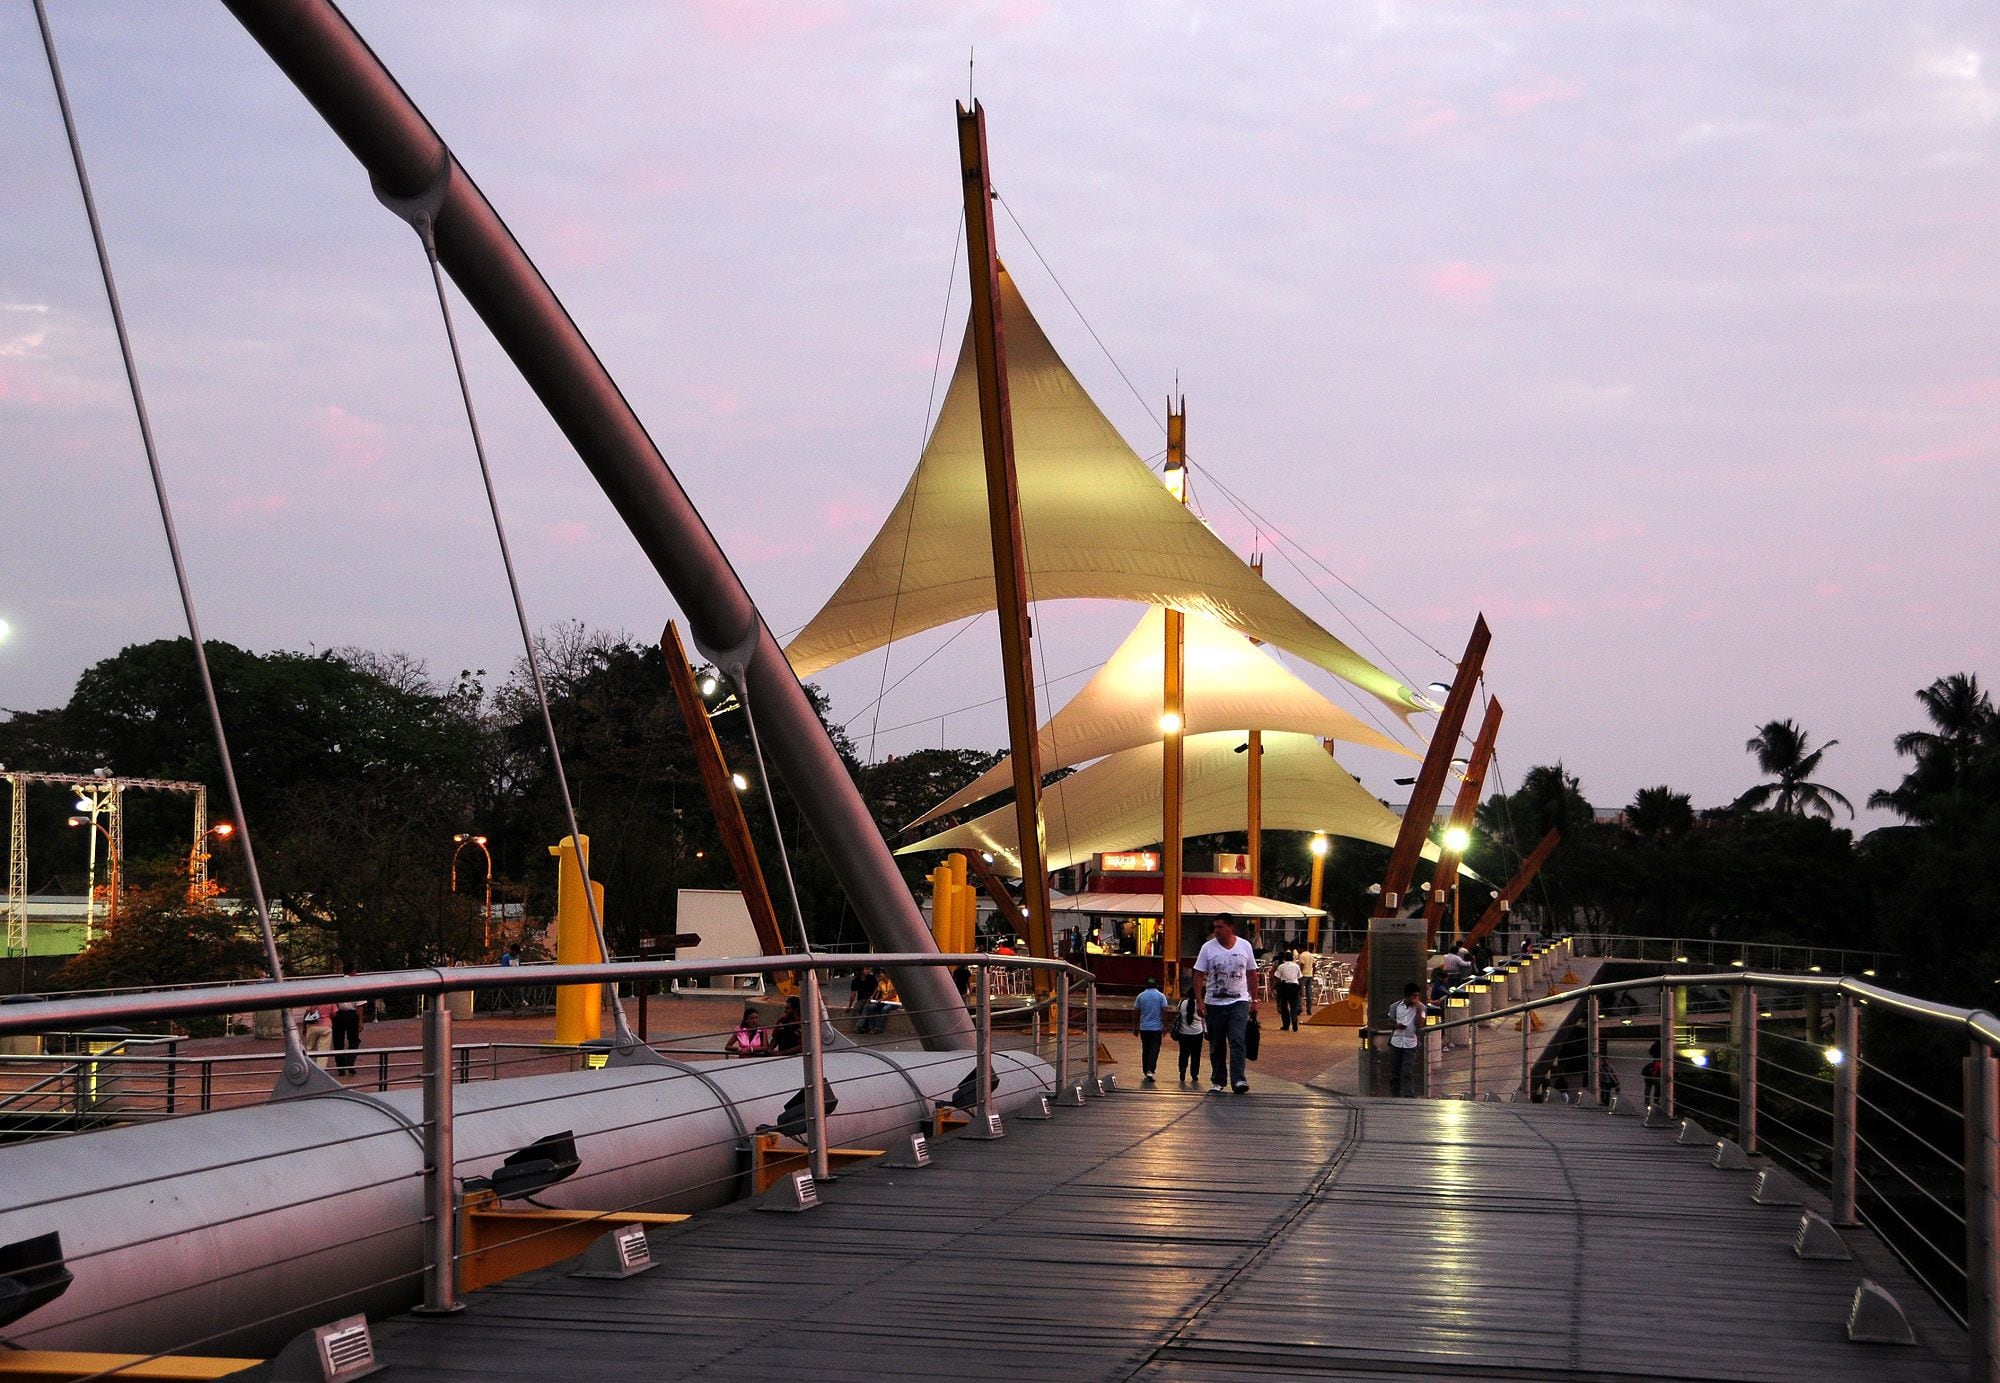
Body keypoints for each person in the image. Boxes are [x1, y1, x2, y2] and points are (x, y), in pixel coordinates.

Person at [1194, 918, 1258, 1095]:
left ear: (1231, 927)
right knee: (1216, 1043)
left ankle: (1238, 1079)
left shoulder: (1244, 946)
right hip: (1214, 1003)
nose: (1217, 930)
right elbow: (1198, 975)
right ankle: (1218, 1079)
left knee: (1237, 1039)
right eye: (1215, 927)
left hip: (1239, 1001)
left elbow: (1252, 974)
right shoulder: (1208, 948)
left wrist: (1255, 1000)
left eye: (1220, 927)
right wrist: (1199, 1001)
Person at [1387, 981, 1429, 1097]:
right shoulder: (1395, 1006)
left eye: (1418, 996)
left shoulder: (1421, 1008)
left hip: (1410, 1043)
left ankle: (1408, 1094)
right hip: (1396, 1041)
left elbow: (1421, 1024)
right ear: (1407, 995)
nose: (1416, 998)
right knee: (1395, 1070)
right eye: (1414, 996)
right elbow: (1389, 1023)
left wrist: (1418, 1008)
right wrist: (1397, 1026)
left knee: (1407, 1071)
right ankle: (1394, 1094)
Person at [1132, 975, 1168, 1085]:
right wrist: (1165, 1026)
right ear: (1156, 985)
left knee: (1146, 1049)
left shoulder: (1140, 996)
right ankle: (1150, 1070)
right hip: (1156, 1028)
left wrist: (1135, 1026)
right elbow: (1164, 1011)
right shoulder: (1161, 996)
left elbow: (1136, 1012)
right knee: (1154, 1050)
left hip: (1144, 1028)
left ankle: (1145, 1069)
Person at [331, 962, 364, 1076]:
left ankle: (341, 1067)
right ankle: (350, 1063)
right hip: (351, 1014)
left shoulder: (337, 984)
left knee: (338, 1041)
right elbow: (360, 1005)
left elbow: (333, 1000)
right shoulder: (356, 985)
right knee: (354, 1040)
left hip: (339, 1014)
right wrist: (360, 1021)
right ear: (353, 971)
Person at [1172, 981, 1207, 1084]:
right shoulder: (1200, 1005)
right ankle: (1194, 1074)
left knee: (1183, 1053)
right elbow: (1204, 1020)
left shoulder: (1182, 1003)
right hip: (1197, 1033)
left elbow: (1178, 1015)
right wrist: (1206, 1031)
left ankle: (1182, 1070)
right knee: (1196, 1055)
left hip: (1183, 1033)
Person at [1272, 950, 1303, 1032]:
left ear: (1284, 958)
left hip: (1284, 987)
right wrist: (1301, 989)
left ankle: (1286, 1025)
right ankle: (1295, 1023)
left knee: (1284, 1006)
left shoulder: (1281, 966)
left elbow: (1277, 978)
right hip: (1294, 987)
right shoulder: (1296, 966)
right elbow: (1300, 978)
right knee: (1293, 1006)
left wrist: (1273, 987)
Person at [1298, 948, 1318, 1014]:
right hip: (1310, 975)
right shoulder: (1311, 955)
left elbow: (1302, 965)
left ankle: (1299, 1007)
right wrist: (1313, 974)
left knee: (1300, 991)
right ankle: (1309, 1008)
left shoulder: (1302, 955)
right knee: (1309, 992)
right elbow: (1314, 966)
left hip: (1303, 975)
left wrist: (1299, 974)